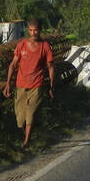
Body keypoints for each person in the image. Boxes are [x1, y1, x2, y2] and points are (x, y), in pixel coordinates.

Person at [3, 18, 54, 148]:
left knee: (30, 113)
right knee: (20, 120)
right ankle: (26, 134)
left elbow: (50, 67)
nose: (33, 33)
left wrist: (51, 86)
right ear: (28, 30)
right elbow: (13, 64)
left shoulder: (45, 46)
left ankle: (26, 142)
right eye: (30, 30)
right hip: (21, 84)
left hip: (37, 85)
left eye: (35, 30)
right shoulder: (22, 45)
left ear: (39, 30)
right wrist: (8, 83)